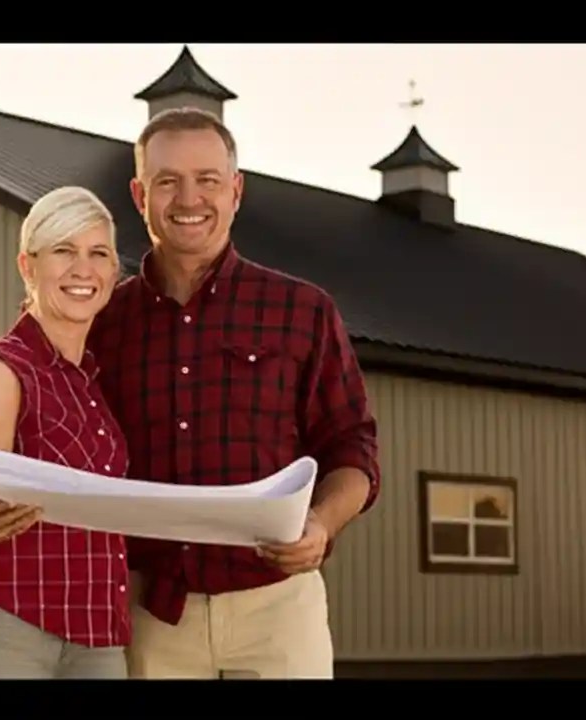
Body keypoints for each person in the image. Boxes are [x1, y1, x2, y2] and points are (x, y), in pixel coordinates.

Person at [86, 107, 382, 679]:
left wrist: (321, 525)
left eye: (208, 180)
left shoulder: (302, 310)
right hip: (151, 615)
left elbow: (352, 448)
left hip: (277, 609)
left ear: (236, 190)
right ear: (138, 193)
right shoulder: (104, 323)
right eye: (167, 181)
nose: (188, 198)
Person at [0, 185, 132, 679]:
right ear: (28, 266)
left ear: (113, 272)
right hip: (11, 624)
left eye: (98, 254)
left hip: (98, 635)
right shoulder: (2, 370)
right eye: (63, 251)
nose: (82, 269)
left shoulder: (95, 385)